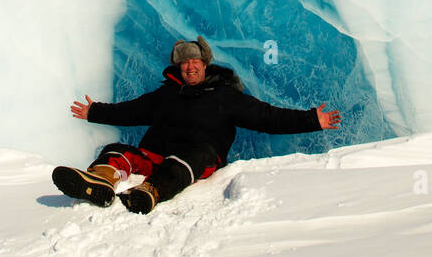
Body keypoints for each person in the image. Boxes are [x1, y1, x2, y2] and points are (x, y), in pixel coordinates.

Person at [52, 36, 341, 214]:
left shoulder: (226, 96)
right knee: (116, 149)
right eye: (184, 63)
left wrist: (312, 119)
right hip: (157, 156)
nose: (190, 67)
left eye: (195, 62)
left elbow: (267, 117)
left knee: (195, 154)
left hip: (196, 160)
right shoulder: (166, 94)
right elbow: (131, 111)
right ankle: (101, 180)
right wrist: (94, 112)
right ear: (179, 67)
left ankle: (151, 192)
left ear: (205, 64)